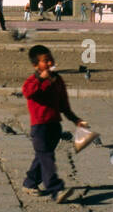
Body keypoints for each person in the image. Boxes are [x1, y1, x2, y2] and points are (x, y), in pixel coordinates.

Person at [22, 45, 87, 203]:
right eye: (45, 61)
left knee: (42, 156)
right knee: (47, 158)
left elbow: (63, 104)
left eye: (50, 59)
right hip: (39, 127)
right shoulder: (32, 81)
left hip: (54, 126)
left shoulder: (57, 80)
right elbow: (27, 92)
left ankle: (30, 183)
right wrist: (40, 79)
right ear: (36, 65)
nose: (50, 62)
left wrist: (75, 119)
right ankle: (55, 189)